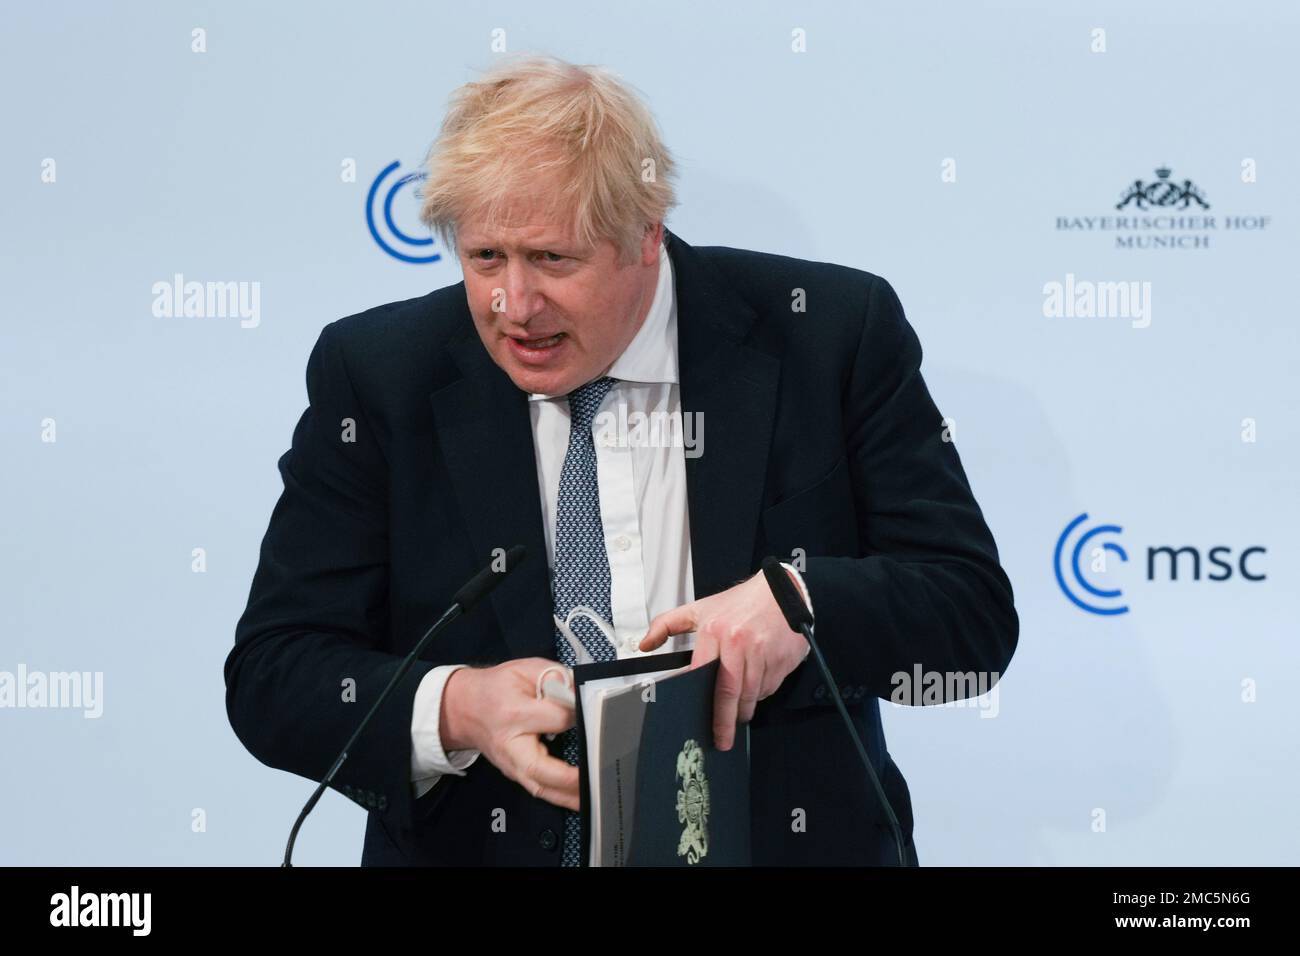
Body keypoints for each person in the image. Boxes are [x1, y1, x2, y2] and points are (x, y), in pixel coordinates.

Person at [225, 54, 1018, 866]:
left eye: (553, 260)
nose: (514, 307)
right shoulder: (381, 373)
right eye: (485, 258)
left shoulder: (828, 336)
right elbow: (274, 675)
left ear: (646, 232)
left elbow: (971, 619)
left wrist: (800, 605)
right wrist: (458, 706)